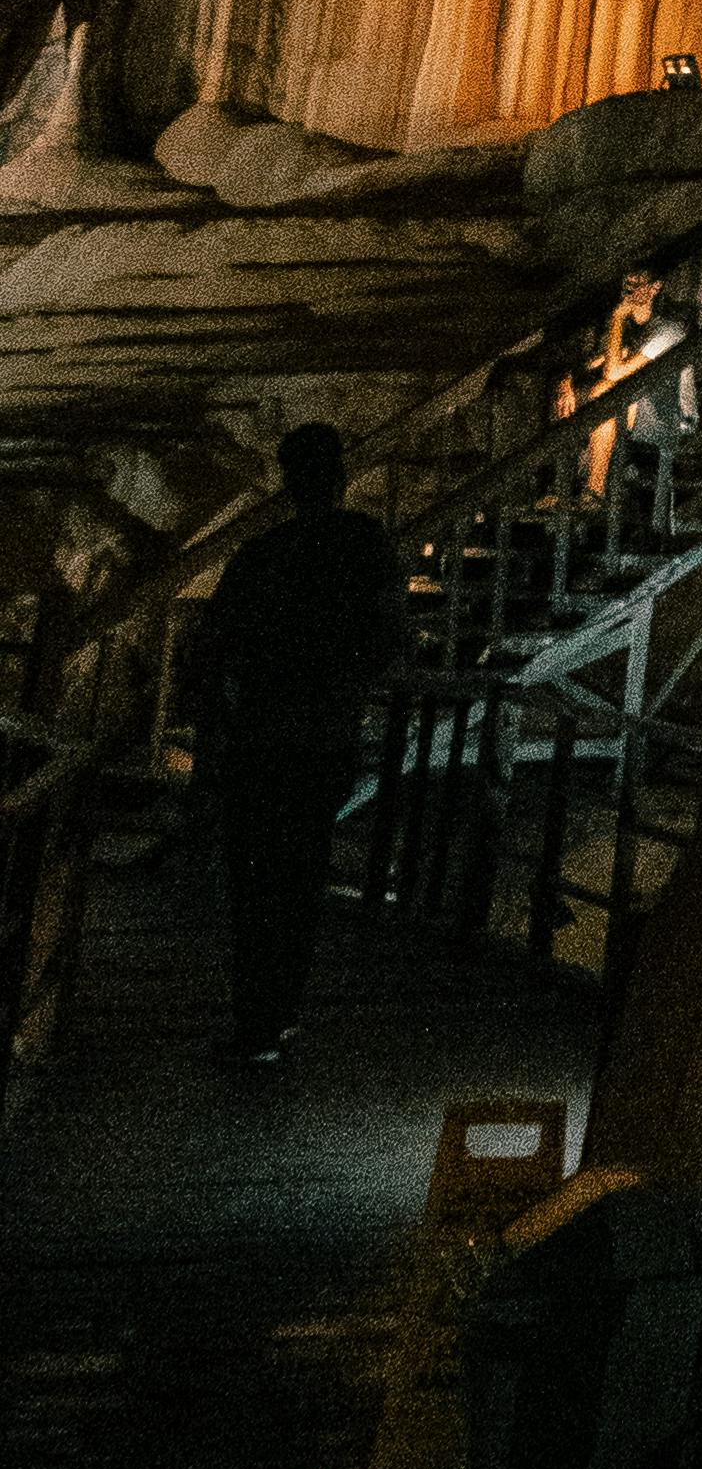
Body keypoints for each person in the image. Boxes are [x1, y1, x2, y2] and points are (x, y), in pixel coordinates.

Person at [189, 419, 404, 1064]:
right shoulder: (367, 545)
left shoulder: (260, 554)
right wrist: (347, 687)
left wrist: (216, 740)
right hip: (324, 736)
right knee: (301, 877)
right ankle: (278, 1015)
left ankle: (257, 1019)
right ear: (340, 479)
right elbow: (388, 638)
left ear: (289, 482)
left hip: (262, 735)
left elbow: (214, 651)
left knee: (255, 883)